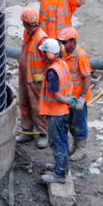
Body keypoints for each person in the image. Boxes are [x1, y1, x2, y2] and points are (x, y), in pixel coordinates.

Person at [37, 37, 74, 185]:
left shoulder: (52, 71)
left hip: (56, 113)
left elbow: (57, 95)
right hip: (63, 112)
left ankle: (59, 174)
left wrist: (66, 100)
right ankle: (61, 167)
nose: (43, 55)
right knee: (63, 141)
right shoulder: (62, 64)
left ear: (50, 54)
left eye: (45, 52)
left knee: (57, 142)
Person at [18, 5, 49, 147]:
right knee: (24, 103)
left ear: (25, 22)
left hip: (36, 79)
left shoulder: (41, 38)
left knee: (38, 106)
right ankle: (27, 130)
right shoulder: (27, 33)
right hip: (25, 75)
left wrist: (42, 76)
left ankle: (44, 133)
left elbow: (50, 60)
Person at [59, 26, 91, 159]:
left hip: (78, 98)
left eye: (65, 42)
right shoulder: (65, 53)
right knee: (71, 123)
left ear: (73, 41)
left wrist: (82, 97)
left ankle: (81, 149)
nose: (63, 44)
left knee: (79, 123)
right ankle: (75, 146)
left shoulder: (80, 56)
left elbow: (87, 77)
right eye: (61, 42)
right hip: (69, 97)